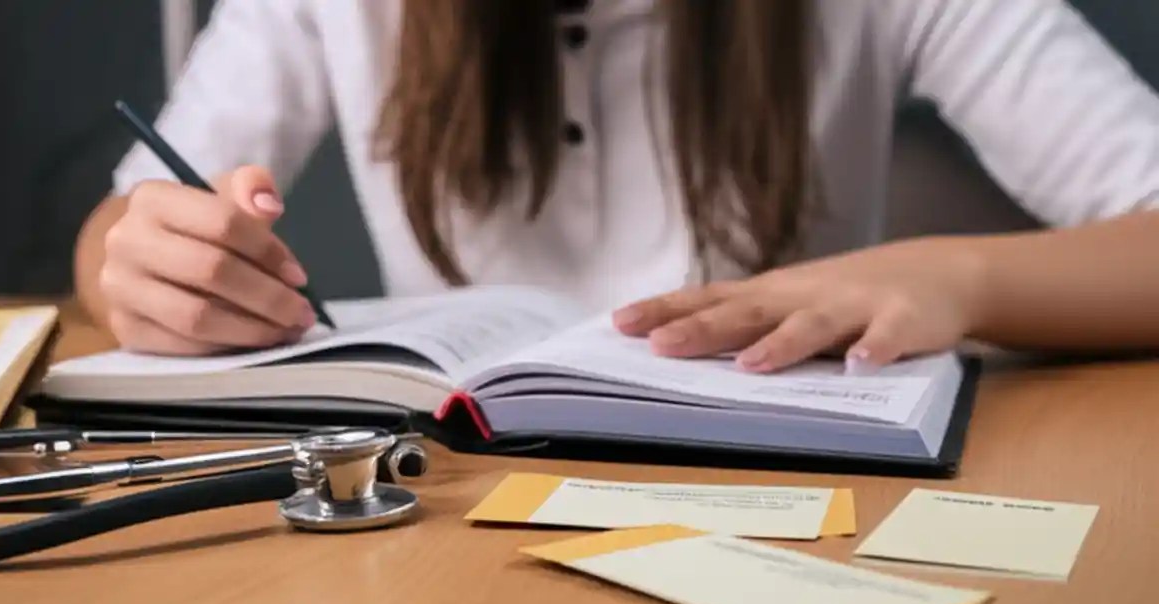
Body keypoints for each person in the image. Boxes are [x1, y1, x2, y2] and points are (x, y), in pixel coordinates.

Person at [75, 0, 1159, 374]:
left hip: (789, 515)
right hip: (455, 517)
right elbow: (120, 228)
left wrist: (951, 276)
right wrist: (143, 267)